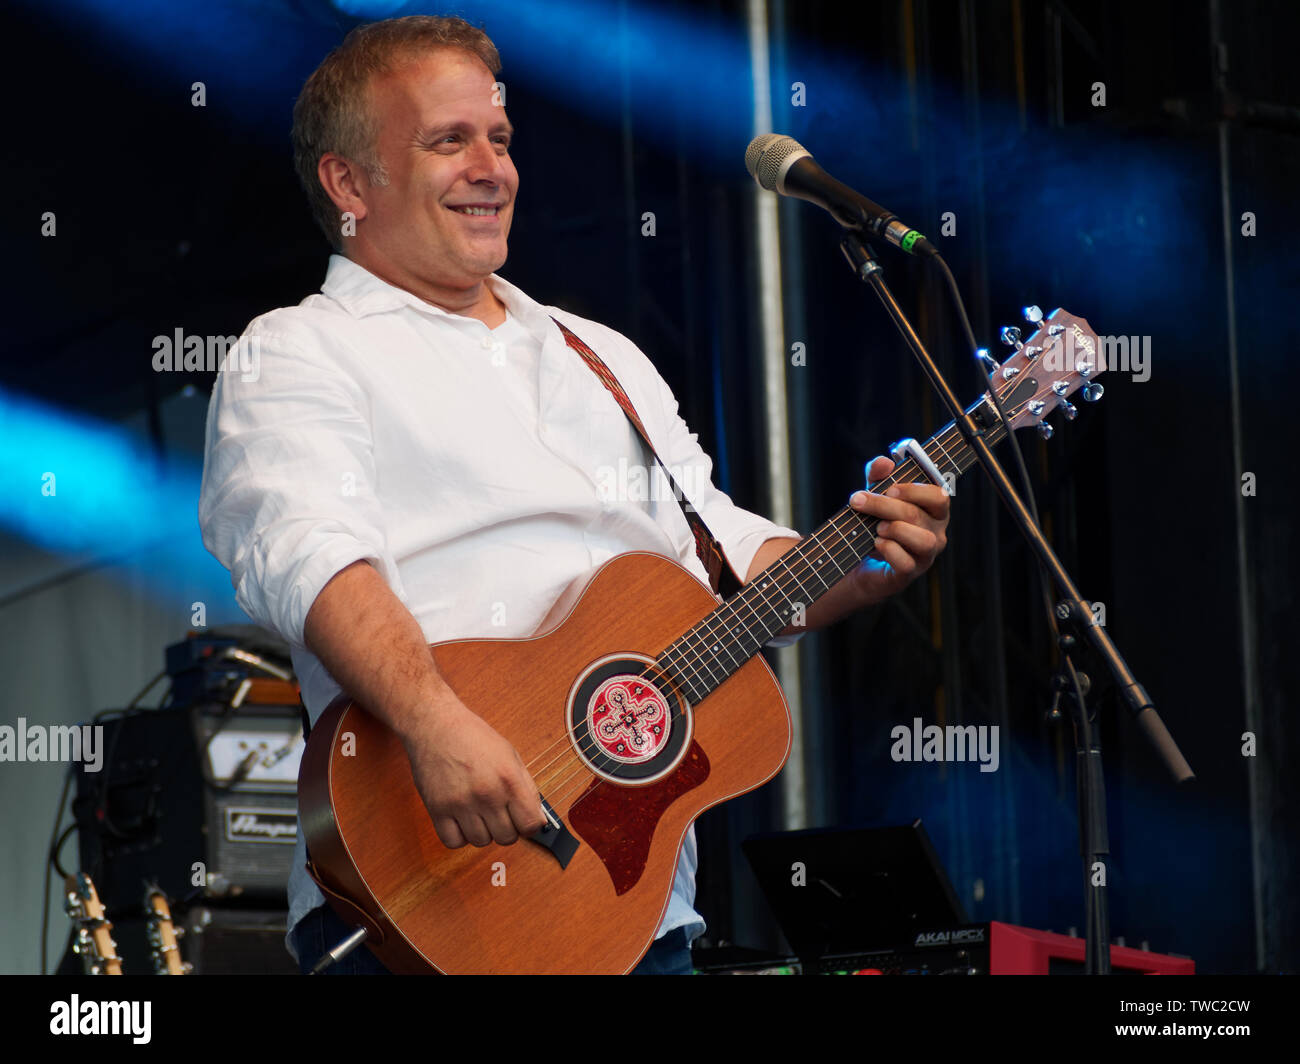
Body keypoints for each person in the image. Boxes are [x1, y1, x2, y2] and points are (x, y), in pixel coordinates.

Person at [198, 15, 950, 975]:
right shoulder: (299, 350)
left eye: (501, 139)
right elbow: (315, 561)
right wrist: (436, 724)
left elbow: (727, 564)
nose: (491, 167)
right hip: (434, 884)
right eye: (448, 141)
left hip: (637, 912)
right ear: (349, 183)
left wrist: (863, 560)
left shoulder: (603, 357)